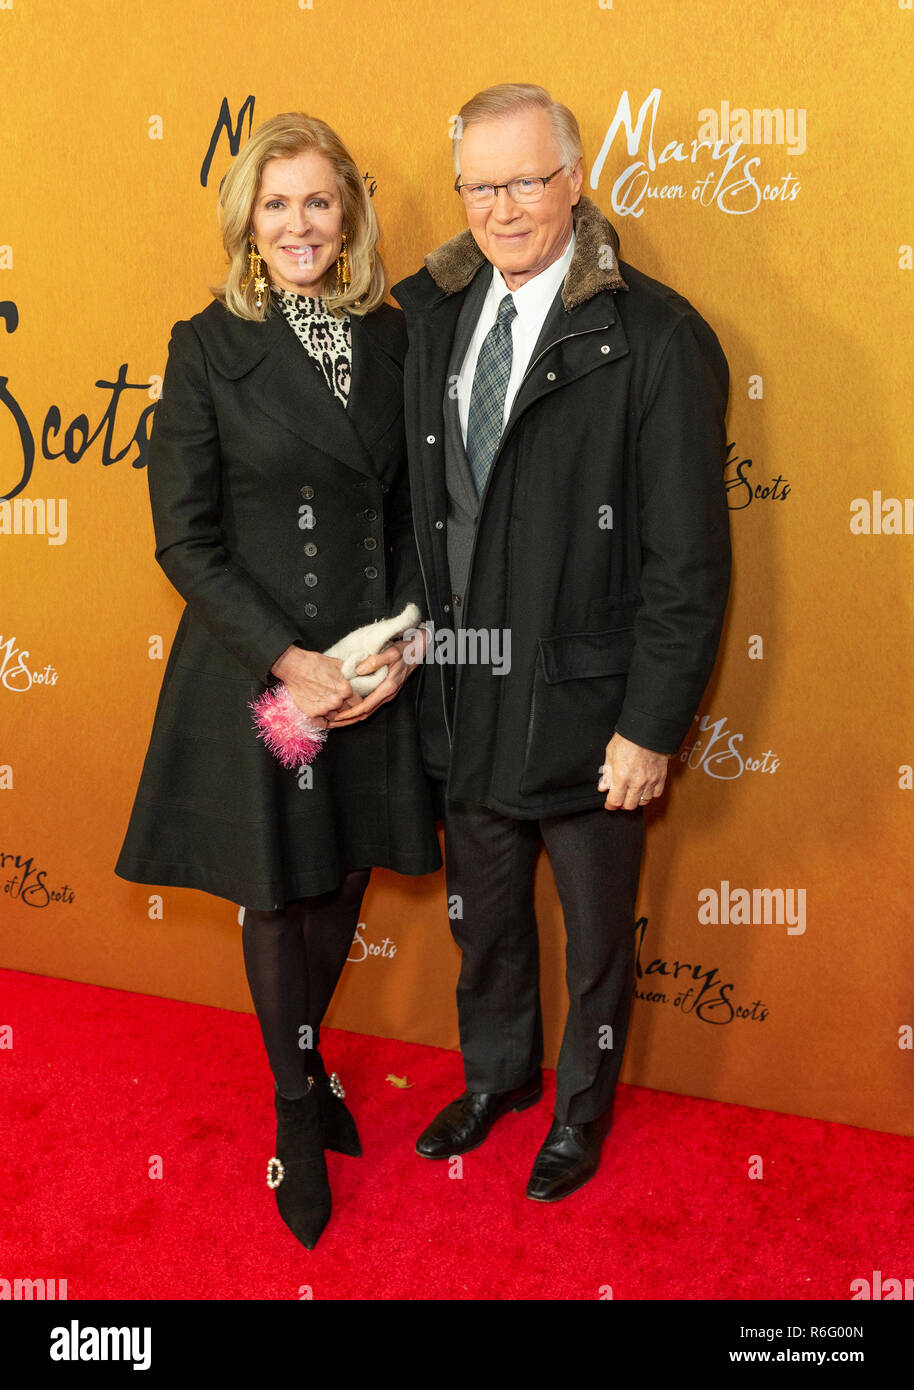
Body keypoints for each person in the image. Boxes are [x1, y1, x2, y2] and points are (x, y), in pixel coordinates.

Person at [392, 84, 731, 1202]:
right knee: (483, 919)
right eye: (478, 185)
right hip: (464, 689)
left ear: (573, 180)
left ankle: (577, 1116)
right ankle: (495, 1077)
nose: (501, 208)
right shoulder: (429, 317)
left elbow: (687, 563)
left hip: (591, 710)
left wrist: (650, 725)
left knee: (592, 942)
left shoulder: (654, 336)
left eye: (524, 181)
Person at [115, 112, 441, 1249]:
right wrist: (290, 659)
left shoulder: (396, 337)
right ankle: (296, 1107)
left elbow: (415, 511)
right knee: (277, 892)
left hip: (369, 666)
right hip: (266, 672)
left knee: (342, 876)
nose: (298, 224)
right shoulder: (206, 344)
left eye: (317, 201)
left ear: (346, 212)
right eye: (275, 203)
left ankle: (302, 1062)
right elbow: (185, 538)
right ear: (246, 221)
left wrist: (400, 643)